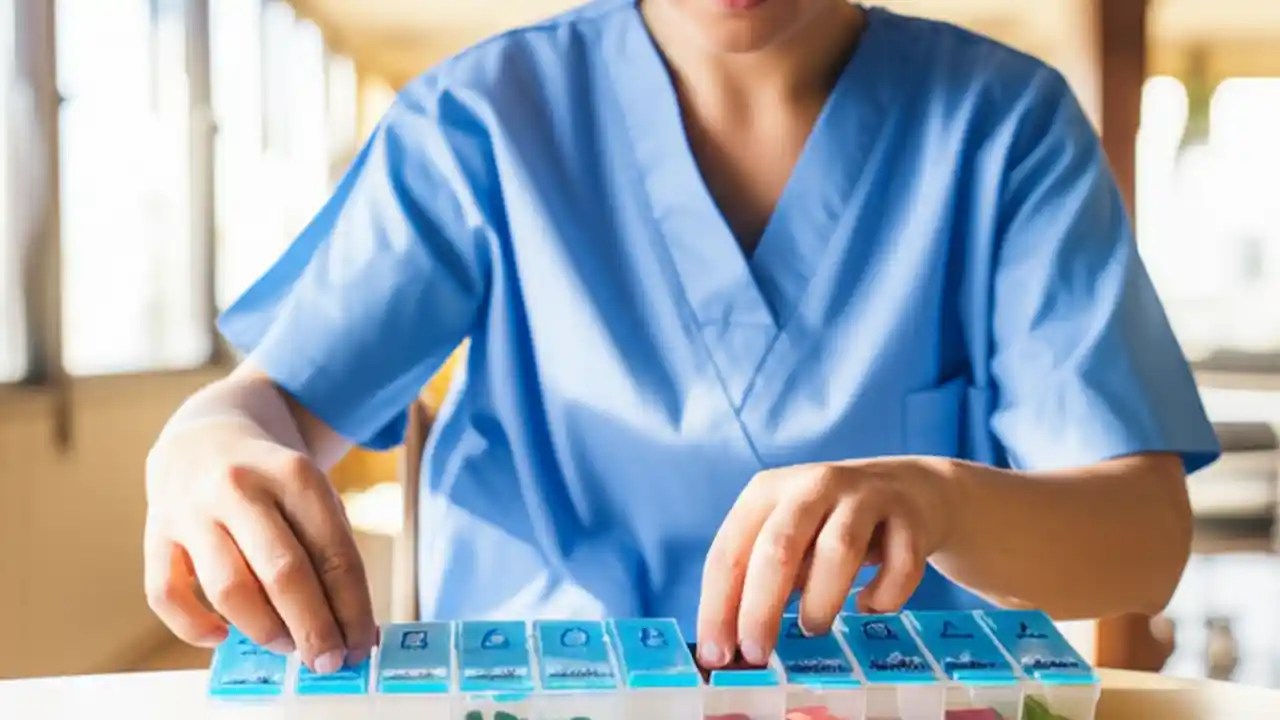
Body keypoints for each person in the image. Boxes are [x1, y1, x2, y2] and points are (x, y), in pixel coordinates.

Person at [143, 0, 1220, 676]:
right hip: (533, 692)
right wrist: (203, 444)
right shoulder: (479, 121)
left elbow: (1141, 537)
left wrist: (942, 499)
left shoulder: (1003, 128)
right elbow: (275, 401)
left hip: (883, 698)